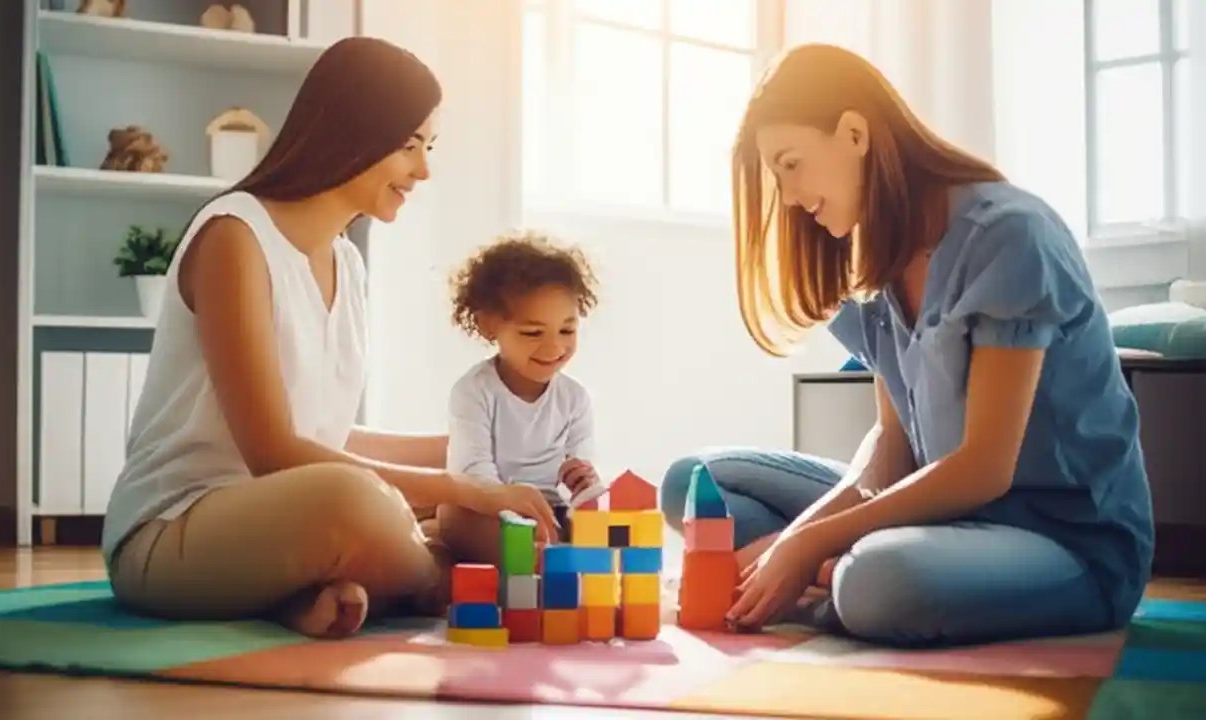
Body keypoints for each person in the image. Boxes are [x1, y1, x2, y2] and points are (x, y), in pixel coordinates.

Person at [661, 44, 1154, 647]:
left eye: (791, 164)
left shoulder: (1007, 235)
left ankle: (832, 579)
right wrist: (797, 540)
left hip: (1064, 540)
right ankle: (823, 574)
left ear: (854, 133)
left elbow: (984, 469)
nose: (787, 197)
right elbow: (891, 444)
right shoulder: (878, 257)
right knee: (693, 484)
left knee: (877, 582)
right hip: (941, 516)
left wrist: (811, 543)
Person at [101, 37, 559, 640]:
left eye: (428, 147)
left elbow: (323, 435)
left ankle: (315, 594)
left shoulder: (347, 262)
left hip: (280, 521)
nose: (423, 170)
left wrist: (478, 449)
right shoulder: (235, 238)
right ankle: (442, 576)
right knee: (358, 502)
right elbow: (274, 450)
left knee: (445, 498)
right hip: (172, 531)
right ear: (354, 132)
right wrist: (458, 486)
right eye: (409, 146)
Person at [439, 232, 602, 562]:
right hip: (493, 508)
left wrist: (583, 481)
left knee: (605, 523)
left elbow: (580, 468)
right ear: (488, 325)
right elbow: (472, 469)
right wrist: (509, 507)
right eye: (533, 333)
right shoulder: (474, 391)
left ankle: (553, 561)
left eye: (567, 330)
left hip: (553, 512)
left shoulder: (575, 398)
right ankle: (543, 561)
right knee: (453, 516)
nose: (554, 347)